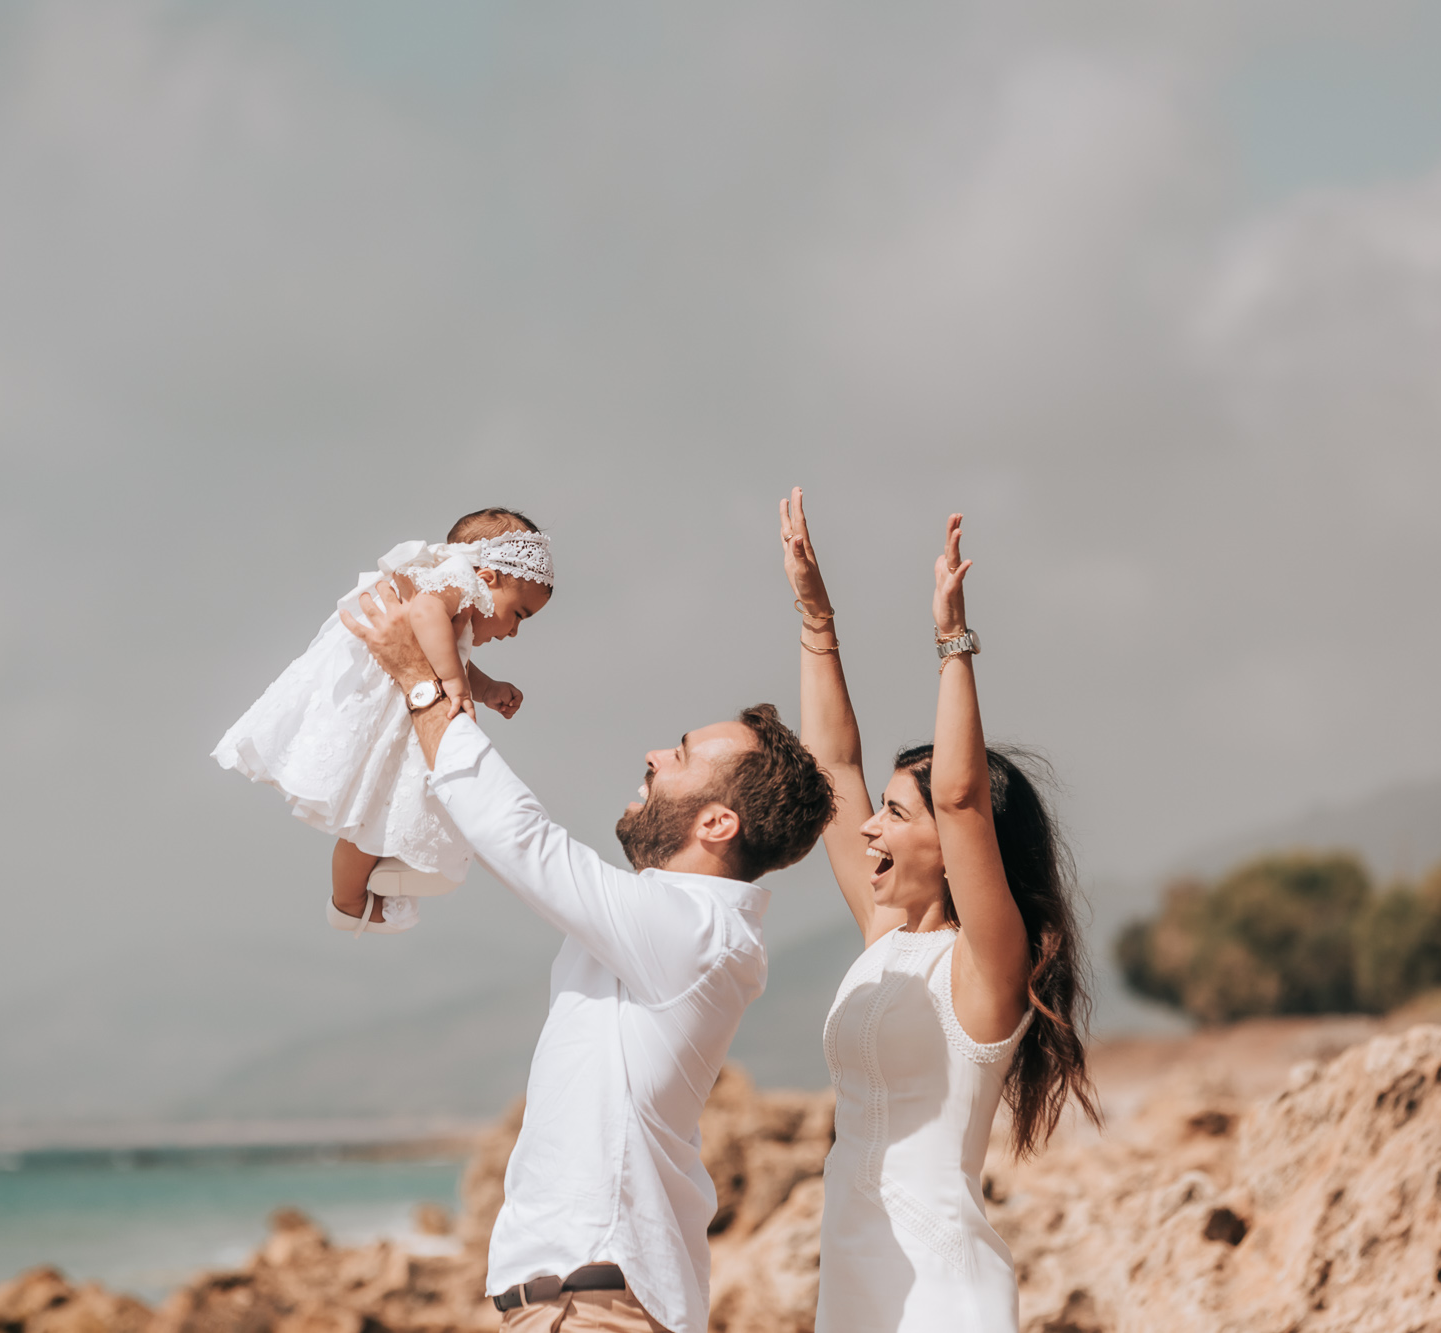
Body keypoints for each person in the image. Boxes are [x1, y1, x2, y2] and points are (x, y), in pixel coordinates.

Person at [340, 576, 836, 1333]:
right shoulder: (682, 929)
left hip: (590, 1306)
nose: (651, 755)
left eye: (678, 754)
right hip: (579, 1304)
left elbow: (523, 840)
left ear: (716, 821)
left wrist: (420, 685)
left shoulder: (692, 931)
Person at [779, 489, 1100, 1332]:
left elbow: (959, 799)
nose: (869, 828)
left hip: (943, 1294)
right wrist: (818, 620)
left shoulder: (988, 966)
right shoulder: (886, 938)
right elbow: (832, 765)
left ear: (952, 848)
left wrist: (952, 645)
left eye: (895, 814)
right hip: (851, 1280)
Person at [212, 508, 552, 934]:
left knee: (378, 812)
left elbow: (448, 651)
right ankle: (349, 903)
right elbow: (426, 615)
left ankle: (365, 889)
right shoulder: (458, 580)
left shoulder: (455, 598)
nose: (515, 631)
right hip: (379, 698)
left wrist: (484, 688)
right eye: (519, 614)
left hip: (395, 702)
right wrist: (455, 685)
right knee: (367, 819)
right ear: (488, 579)